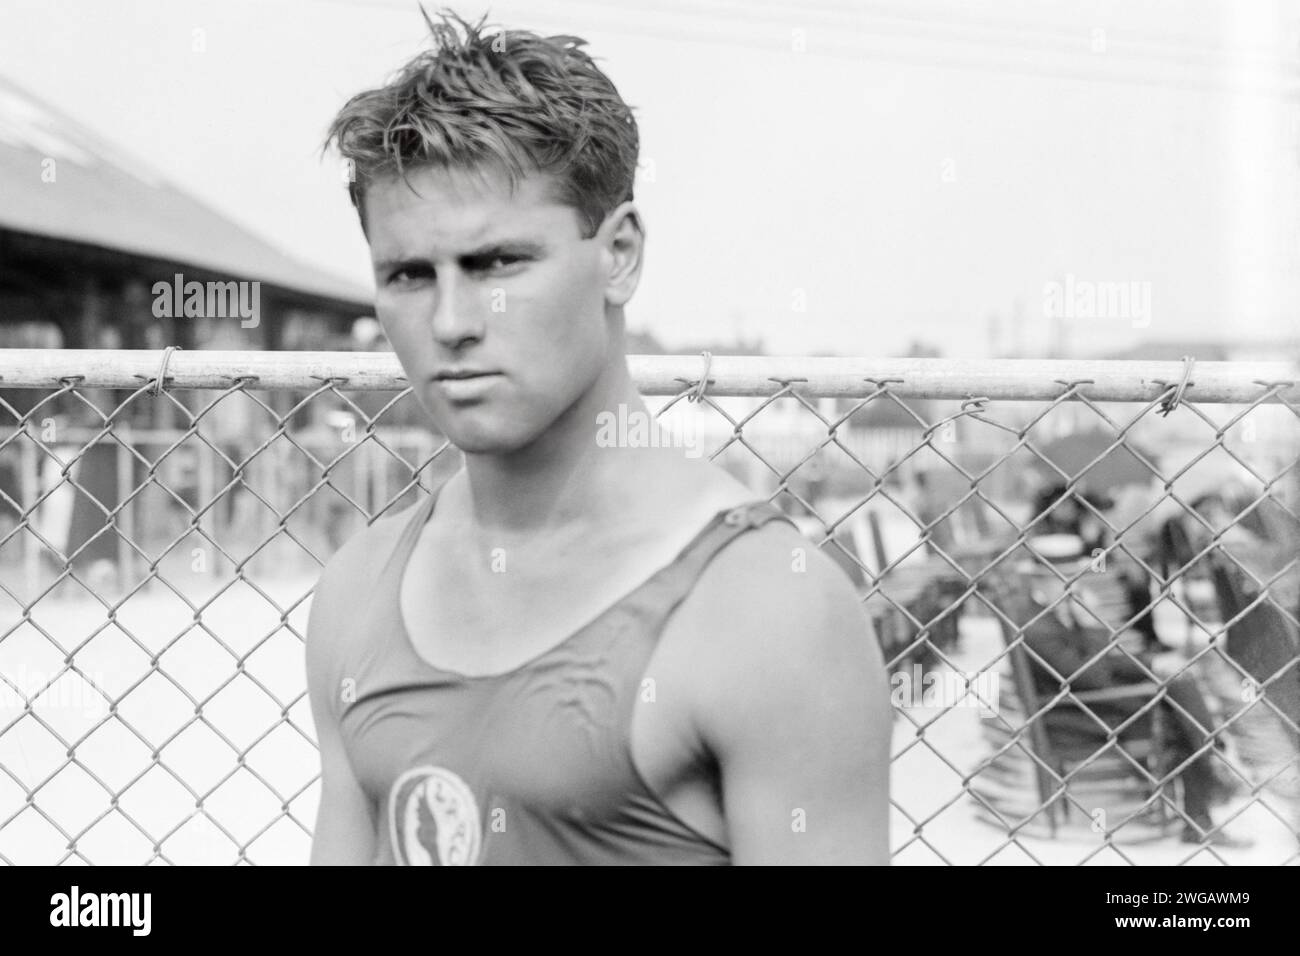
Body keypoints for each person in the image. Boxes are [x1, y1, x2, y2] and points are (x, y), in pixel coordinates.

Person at [305, 10, 891, 865]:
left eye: (497, 263)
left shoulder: (769, 610)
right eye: (408, 275)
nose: (453, 321)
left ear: (618, 254)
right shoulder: (358, 592)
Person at [1011, 546, 1245, 846]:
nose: (1076, 586)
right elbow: (1090, 676)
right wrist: (1093, 625)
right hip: (1077, 715)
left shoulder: (1048, 610)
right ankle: (1209, 775)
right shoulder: (1039, 624)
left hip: (1090, 700)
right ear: (1041, 581)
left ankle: (1210, 766)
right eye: (1067, 579)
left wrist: (1151, 665)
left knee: (1179, 682)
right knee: (1179, 709)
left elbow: (1098, 665)